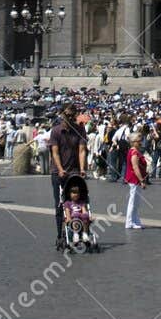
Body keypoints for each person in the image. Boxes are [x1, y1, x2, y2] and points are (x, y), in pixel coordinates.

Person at [49, 105, 87, 252]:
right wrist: (60, 169)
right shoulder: (56, 131)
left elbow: (82, 150)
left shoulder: (80, 129)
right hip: (58, 172)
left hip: (75, 170)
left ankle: (80, 232)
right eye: (68, 116)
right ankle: (60, 234)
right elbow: (55, 152)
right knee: (60, 204)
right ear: (63, 116)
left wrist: (83, 168)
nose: (71, 119)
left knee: (78, 200)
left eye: (73, 116)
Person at [124, 131, 150, 230]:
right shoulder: (134, 152)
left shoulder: (135, 151)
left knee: (136, 202)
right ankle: (129, 222)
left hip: (136, 179)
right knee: (133, 201)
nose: (141, 142)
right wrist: (142, 180)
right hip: (134, 179)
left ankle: (135, 220)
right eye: (139, 141)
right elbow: (135, 167)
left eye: (141, 140)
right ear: (133, 142)